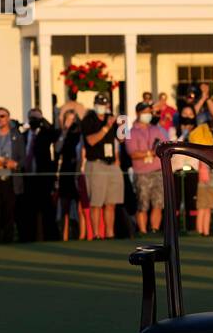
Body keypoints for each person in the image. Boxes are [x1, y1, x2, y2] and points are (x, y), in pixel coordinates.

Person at [80, 93, 121, 239]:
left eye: (104, 104)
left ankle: (110, 233)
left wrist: (122, 125)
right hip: (96, 163)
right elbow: (90, 140)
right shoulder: (88, 120)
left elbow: (122, 139)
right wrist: (106, 127)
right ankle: (96, 233)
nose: (101, 107)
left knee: (111, 202)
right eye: (99, 104)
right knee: (96, 202)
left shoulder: (112, 118)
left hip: (111, 163)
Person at [19, 106, 59, 242]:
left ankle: (51, 238)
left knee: (47, 209)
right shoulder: (24, 135)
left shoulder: (46, 134)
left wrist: (43, 120)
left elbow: (56, 133)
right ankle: (28, 238)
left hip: (43, 177)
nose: (34, 120)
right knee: (28, 210)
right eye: (32, 118)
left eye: (36, 118)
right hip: (28, 177)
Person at [127, 102, 166, 235]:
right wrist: (150, 153)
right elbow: (133, 153)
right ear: (138, 113)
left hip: (158, 171)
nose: (148, 115)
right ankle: (142, 231)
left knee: (158, 203)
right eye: (145, 112)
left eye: (149, 112)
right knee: (143, 204)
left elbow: (164, 145)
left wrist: (154, 152)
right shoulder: (131, 131)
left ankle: (154, 229)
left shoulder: (155, 129)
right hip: (142, 173)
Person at [0, 107, 24, 243]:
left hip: (11, 179)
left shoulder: (17, 136)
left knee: (9, 212)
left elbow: (23, 158)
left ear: (8, 118)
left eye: (2, 116)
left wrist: (14, 164)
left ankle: (9, 240)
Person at [56, 108, 83, 240]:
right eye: (68, 119)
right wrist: (64, 131)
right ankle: (64, 236)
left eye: (73, 119)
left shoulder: (80, 134)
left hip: (77, 171)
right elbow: (57, 149)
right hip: (65, 171)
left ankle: (82, 235)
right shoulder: (62, 134)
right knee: (64, 206)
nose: (71, 122)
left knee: (80, 206)